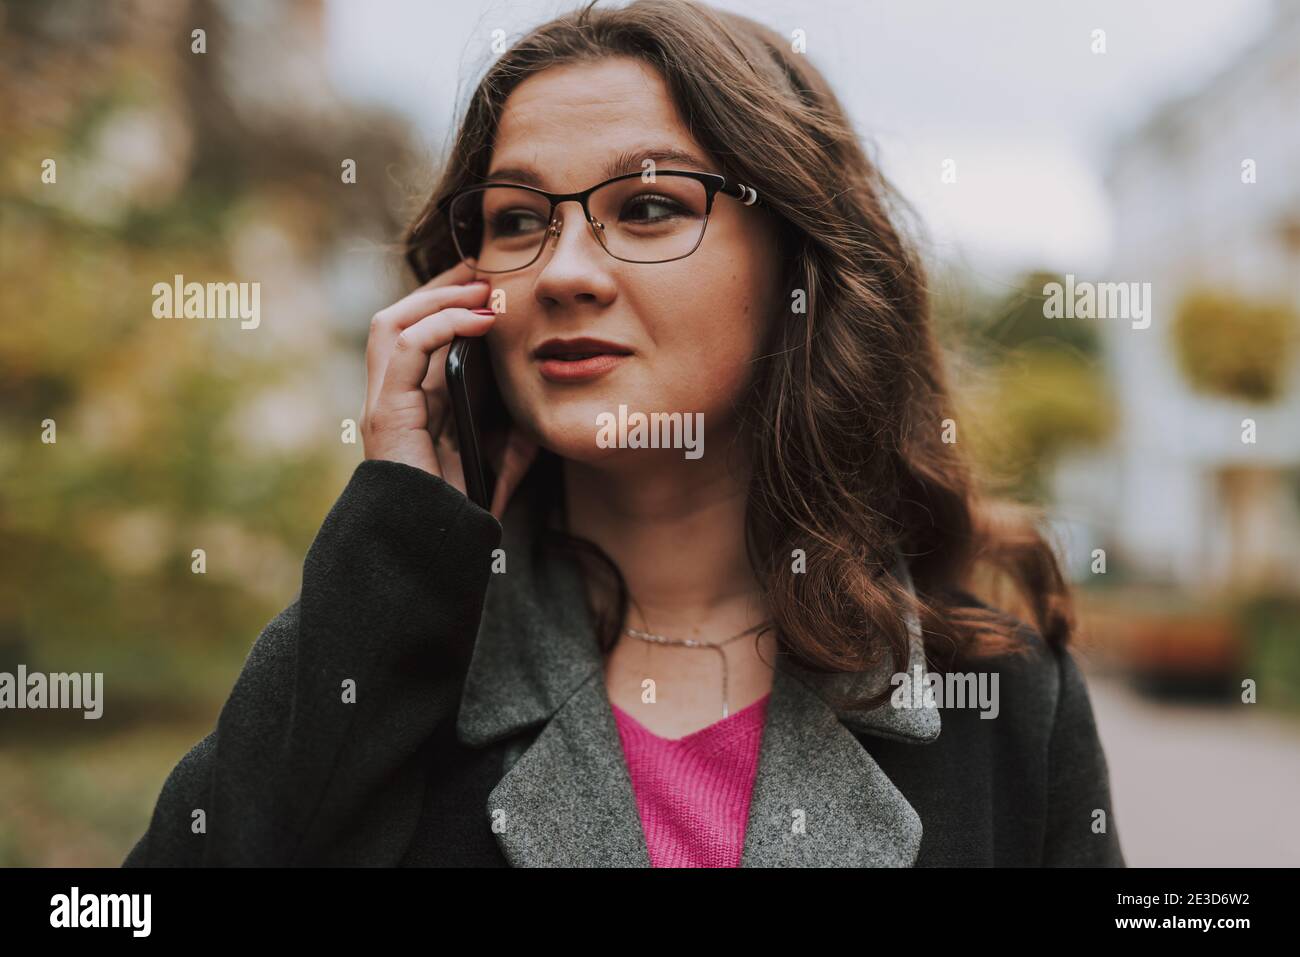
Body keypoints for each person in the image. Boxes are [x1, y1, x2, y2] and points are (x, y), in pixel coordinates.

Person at [123, 0, 1124, 867]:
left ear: (798, 269)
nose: (562, 272)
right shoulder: (387, 661)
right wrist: (396, 536)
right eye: (516, 220)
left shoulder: (1000, 699)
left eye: (646, 207)